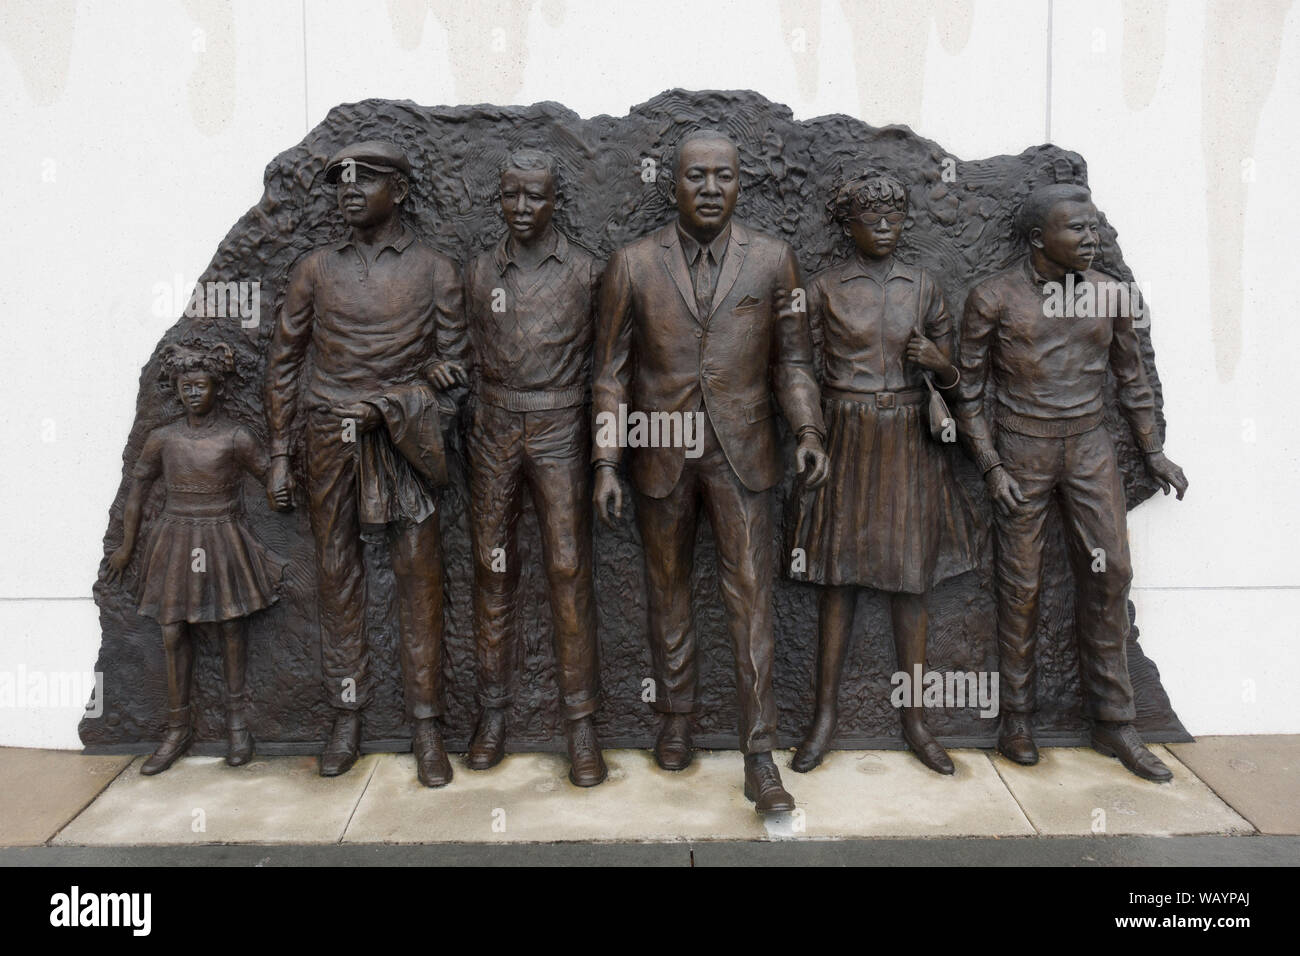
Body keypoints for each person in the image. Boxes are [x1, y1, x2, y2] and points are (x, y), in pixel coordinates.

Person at [593, 129, 829, 813]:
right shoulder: (632, 264)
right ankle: (675, 718)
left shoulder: (774, 261)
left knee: (751, 598)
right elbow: (608, 375)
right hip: (658, 449)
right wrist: (606, 461)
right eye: (695, 176)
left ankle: (760, 756)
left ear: (739, 182)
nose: (708, 189)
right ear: (672, 184)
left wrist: (809, 429)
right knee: (666, 589)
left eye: (722, 176)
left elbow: (792, 361)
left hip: (743, 452)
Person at [951, 182, 1188, 782]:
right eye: (1077, 229)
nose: (1092, 238)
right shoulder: (993, 296)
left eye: (1094, 228)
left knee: (1111, 574)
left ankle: (1114, 721)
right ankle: (1017, 717)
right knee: (1020, 583)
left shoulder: (1112, 295)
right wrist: (991, 464)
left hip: (1089, 448)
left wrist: (1153, 451)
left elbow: (1132, 381)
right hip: (1021, 448)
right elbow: (968, 389)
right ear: (1038, 239)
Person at [263, 140, 467, 787]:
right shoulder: (315, 270)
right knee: (337, 576)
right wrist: (276, 452)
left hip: (407, 443)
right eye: (340, 183)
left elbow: (460, 378)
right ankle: (346, 714)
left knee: (420, 582)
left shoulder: (436, 271)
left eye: (364, 180)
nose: (348, 191)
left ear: (399, 191)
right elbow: (285, 362)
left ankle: (427, 726)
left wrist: (412, 400)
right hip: (329, 437)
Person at [788, 170, 980, 775]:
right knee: (838, 582)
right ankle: (823, 718)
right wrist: (810, 433)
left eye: (895, 220)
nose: (886, 228)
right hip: (845, 433)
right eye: (873, 221)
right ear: (850, 227)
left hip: (905, 438)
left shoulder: (923, 287)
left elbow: (957, 382)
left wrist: (939, 363)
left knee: (911, 583)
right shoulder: (822, 289)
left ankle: (916, 720)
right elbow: (799, 368)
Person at [461, 149, 606, 786]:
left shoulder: (586, 274)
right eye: (511, 195)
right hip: (493, 427)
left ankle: (581, 725)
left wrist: (606, 456)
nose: (522, 208)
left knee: (568, 570)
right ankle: (493, 715)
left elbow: (609, 374)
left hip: (561, 426)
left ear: (555, 201)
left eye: (535, 197)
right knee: (492, 568)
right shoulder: (477, 272)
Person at [106, 341, 285, 774]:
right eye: (185, 386)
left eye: (201, 385)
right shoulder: (162, 439)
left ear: (216, 389)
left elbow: (272, 479)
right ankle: (177, 727)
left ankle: (237, 724)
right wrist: (127, 545)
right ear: (176, 389)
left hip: (222, 535)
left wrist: (281, 482)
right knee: (172, 631)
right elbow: (137, 492)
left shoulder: (236, 437)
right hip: (175, 537)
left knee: (230, 626)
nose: (192, 393)